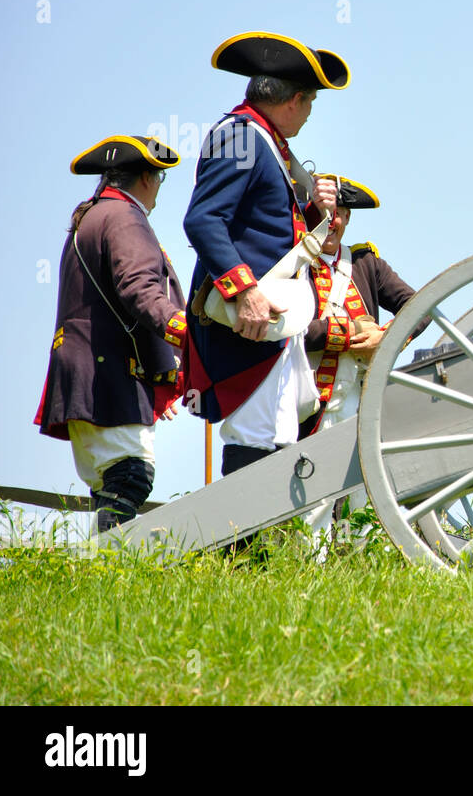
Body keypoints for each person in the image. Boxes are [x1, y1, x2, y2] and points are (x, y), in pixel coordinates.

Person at [183, 32, 345, 475]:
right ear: (294, 99)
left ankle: (264, 547)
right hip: (251, 315)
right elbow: (202, 220)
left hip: (271, 317)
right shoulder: (241, 136)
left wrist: (315, 208)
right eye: (311, 103)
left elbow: (270, 227)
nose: (310, 115)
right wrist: (245, 291)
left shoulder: (264, 141)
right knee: (256, 436)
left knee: (278, 434)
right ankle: (241, 547)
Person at [35, 135, 187, 531]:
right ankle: (108, 566)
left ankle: (105, 569)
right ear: (147, 179)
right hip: (108, 371)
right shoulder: (124, 217)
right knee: (130, 476)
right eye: (160, 179)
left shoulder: (95, 215)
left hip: (90, 370)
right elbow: (139, 288)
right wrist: (185, 333)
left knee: (112, 482)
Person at [299, 175, 419, 436]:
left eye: (337, 214)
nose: (331, 222)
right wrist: (349, 332)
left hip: (363, 396)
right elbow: (291, 332)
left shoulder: (366, 263)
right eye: (323, 213)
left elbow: (417, 306)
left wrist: (386, 338)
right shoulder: (294, 266)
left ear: (348, 217)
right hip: (309, 405)